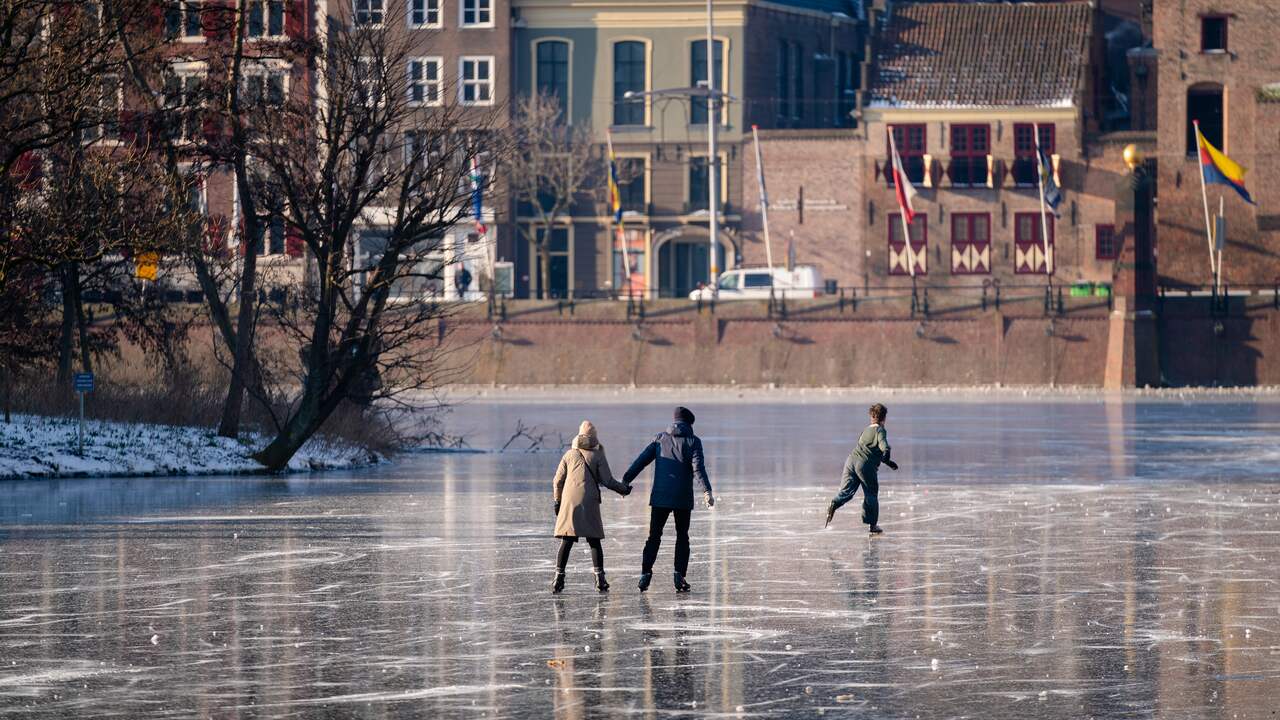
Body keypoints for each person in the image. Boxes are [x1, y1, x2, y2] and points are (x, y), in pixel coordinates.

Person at [622, 406, 714, 593]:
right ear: (689, 423)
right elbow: (698, 469)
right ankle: (679, 576)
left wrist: (626, 479)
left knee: (654, 537)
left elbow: (641, 461)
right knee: (682, 536)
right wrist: (707, 491)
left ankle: (645, 574)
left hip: (660, 497)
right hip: (682, 497)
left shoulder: (660, 439)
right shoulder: (693, 442)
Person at [552, 420, 631, 594]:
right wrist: (624, 489)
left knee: (567, 540)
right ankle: (600, 580)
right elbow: (608, 481)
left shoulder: (569, 455)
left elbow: (557, 481)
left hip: (569, 501)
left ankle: (558, 579)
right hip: (589, 502)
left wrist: (557, 501)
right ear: (594, 437)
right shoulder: (597, 456)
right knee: (594, 541)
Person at [825, 403, 898, 534]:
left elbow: (868, 450)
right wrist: (887, 455)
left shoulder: (866, 430)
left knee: (847, 491)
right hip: (865, 465)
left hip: (851, 461)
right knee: (871, 493)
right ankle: (872, 525)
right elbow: (883, 446)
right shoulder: (879, 430)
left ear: (872, 417)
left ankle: (834, 503)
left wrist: (888, 462)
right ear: (884, 418)